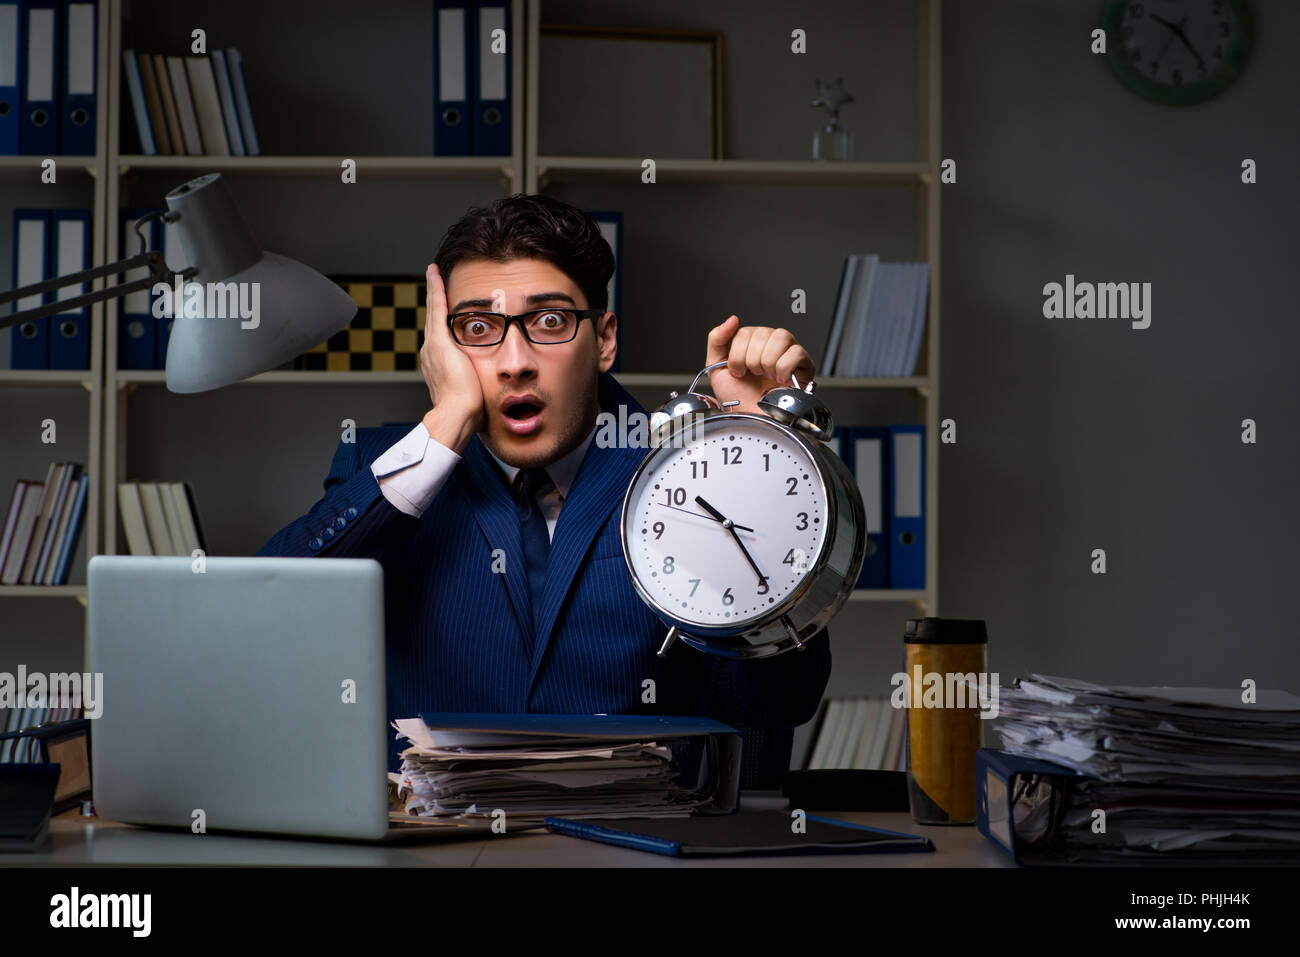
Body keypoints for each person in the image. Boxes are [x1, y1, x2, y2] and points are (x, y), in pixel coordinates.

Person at [257, 194, 832, 779]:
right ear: (441, 348)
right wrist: (446, 423)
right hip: (435, 855)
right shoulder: (384, 469)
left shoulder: (684, 467)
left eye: (549, 321)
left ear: (604, 340)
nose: (514, 362)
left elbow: (776, 703)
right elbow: (269, 623)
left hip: (637, 849)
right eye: (477, 327)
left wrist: (759, 461)